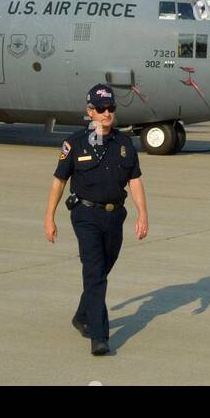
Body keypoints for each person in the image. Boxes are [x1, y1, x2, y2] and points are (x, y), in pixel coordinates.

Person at [45, 84, 149, 355]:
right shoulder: (75, 143)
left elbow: (134, 180)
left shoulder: (124, 144)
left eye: (111, 108)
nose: (106, 114)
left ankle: (82, 315)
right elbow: (59, 181)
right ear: (89, 111)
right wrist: (49, 217)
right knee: (94, 272)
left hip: (115, 217)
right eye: (101, 109)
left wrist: (143, 214)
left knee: (101, 270)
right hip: (85, 216)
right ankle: (99, 336)